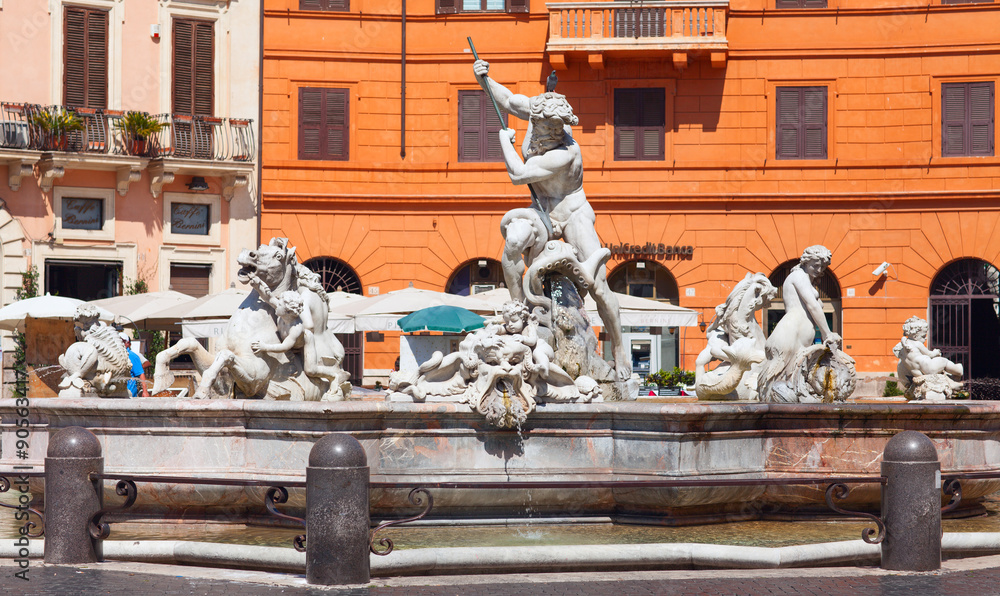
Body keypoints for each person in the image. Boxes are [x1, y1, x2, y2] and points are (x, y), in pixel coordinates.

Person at [473, 59, 630, 381]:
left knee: (598, 284)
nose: (555, 133)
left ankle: (619, 348)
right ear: (537, 120)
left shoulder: (564, 152)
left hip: (572, 212)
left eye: (559, 129)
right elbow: (507, 100)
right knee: (513, 242)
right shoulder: (535, 111)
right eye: (549, 128)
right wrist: (484, 79)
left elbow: (518, 175)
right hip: (541, 210)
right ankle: (518, 314)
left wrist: (504, 141)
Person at [120, 332, 149, 398]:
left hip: (130, 395)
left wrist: (145, 391)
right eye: (119, 341)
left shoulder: (132, 356)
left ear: (128, 343)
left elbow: (141, 374)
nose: (120, 343)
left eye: (123, 341)